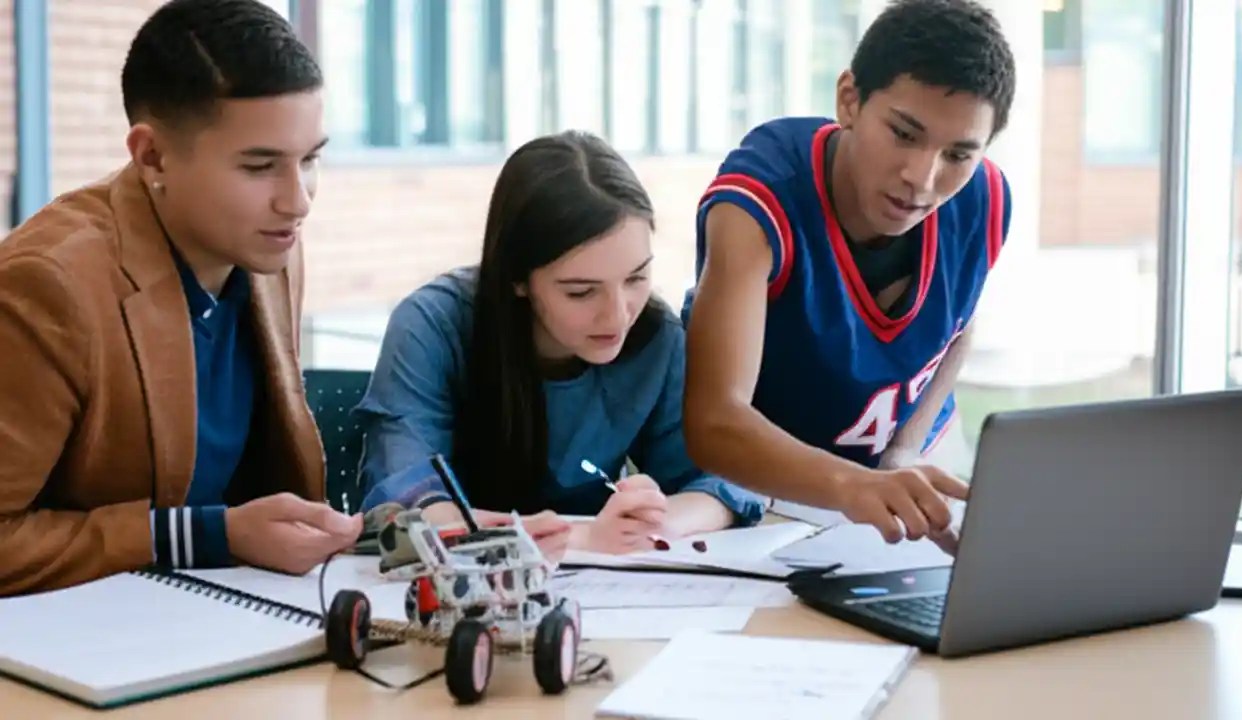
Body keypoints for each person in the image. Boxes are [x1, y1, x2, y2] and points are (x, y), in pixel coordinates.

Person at [0, 0, 361, 596]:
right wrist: (201, 535)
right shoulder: (48, 286)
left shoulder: (268, 246)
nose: (298, 200)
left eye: (310, 159)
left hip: (222, 613)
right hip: (81, 633)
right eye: (260, 166)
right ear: (152, 157)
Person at [682, 0, 1016, 550]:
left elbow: (958, 325)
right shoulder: (760, 201)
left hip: (906, 461)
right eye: (903, 133)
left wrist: (902, 453)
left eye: (958, 154)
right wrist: (857, 484)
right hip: (770, 483)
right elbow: (714, 422)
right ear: (849, 100)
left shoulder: (985, 196)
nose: (922, 178)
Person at [355, 131, 765, 558]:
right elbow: (403, 507)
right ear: (517, 278)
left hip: (604, 584)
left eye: (636, 278)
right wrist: (581, 537)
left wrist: (658, 522)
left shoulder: (655, 337)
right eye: (581, 292)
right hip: (450, 585)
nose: (618, 315)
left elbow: (727, 477)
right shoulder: (430, 327)